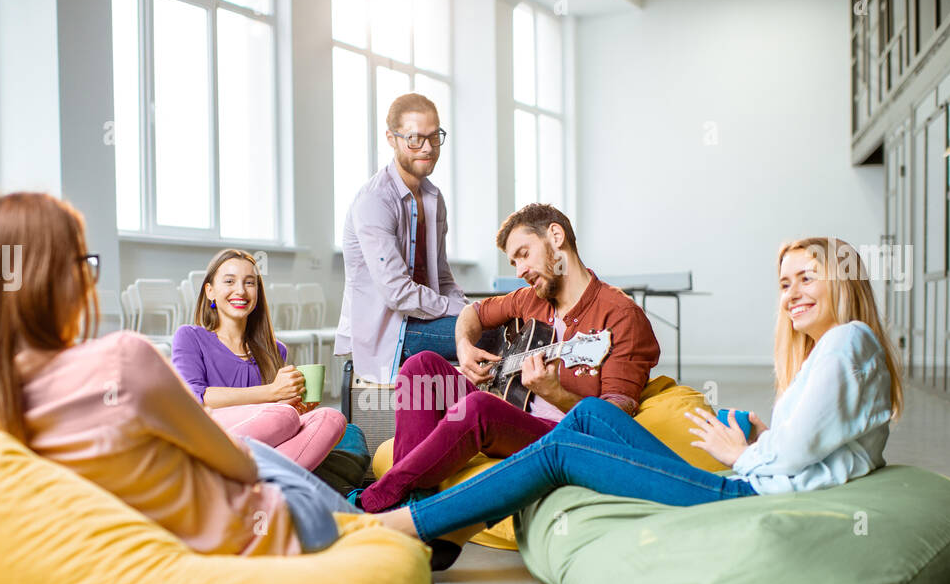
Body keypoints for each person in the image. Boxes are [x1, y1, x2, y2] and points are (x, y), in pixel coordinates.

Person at [374, 237, 904, 567]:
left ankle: (402, 521)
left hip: (740, 495)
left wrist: (742, 454)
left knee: (561, 450)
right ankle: (440, 521)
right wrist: (762, 438)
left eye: (807, 279)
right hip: (743, 482)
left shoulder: (846, 340)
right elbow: (821, 444)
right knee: (588, 415)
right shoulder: (839, 349)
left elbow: (794, 457)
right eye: (785, 283)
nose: (791, 294)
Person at [0, 192, 356, 556]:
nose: (89, 280)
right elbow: (235, 463)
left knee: (324, 424)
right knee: (276, 447)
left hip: (183, 518)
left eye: (249, 283)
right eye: (83, 263)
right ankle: (381, 522)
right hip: (263, 522)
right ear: (55, 280)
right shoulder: (125, 358)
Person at [354, 202, 660, 513]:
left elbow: (616, 424)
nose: (519, 272)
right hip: (511, 413)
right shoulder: (530, 299)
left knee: (479, 407)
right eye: (513, 262)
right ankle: (415, 505)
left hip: (563, 437)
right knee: (419, 367)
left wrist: (555, 393)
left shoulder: (621, 315)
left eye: (524, 254)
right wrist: (464, 346)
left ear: (556, 236)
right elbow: (472, 313)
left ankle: (375, 499)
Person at [171, 249, 347, 471]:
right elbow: (195, 397)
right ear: (210, 291)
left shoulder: (275, 351)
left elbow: (271, 423)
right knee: (283, 417)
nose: (240, 291)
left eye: (249, 283)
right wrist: (273, 393)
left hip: (256, 449)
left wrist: (296, 404)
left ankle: (251, 485)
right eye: (229, 281)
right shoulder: (190, 337)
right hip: (204, 436)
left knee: (332, 418)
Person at [336, 92, 466, 384]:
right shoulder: (375, 201)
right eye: (414, 139)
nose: (428, 148)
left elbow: (442, 277)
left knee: (502, 325)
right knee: (490, 334)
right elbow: (397, 293)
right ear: (391, 139)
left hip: (427, 320)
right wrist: (468, 316)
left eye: (434, 137)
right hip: (392, 332)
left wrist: (470, 309)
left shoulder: (434, 199)